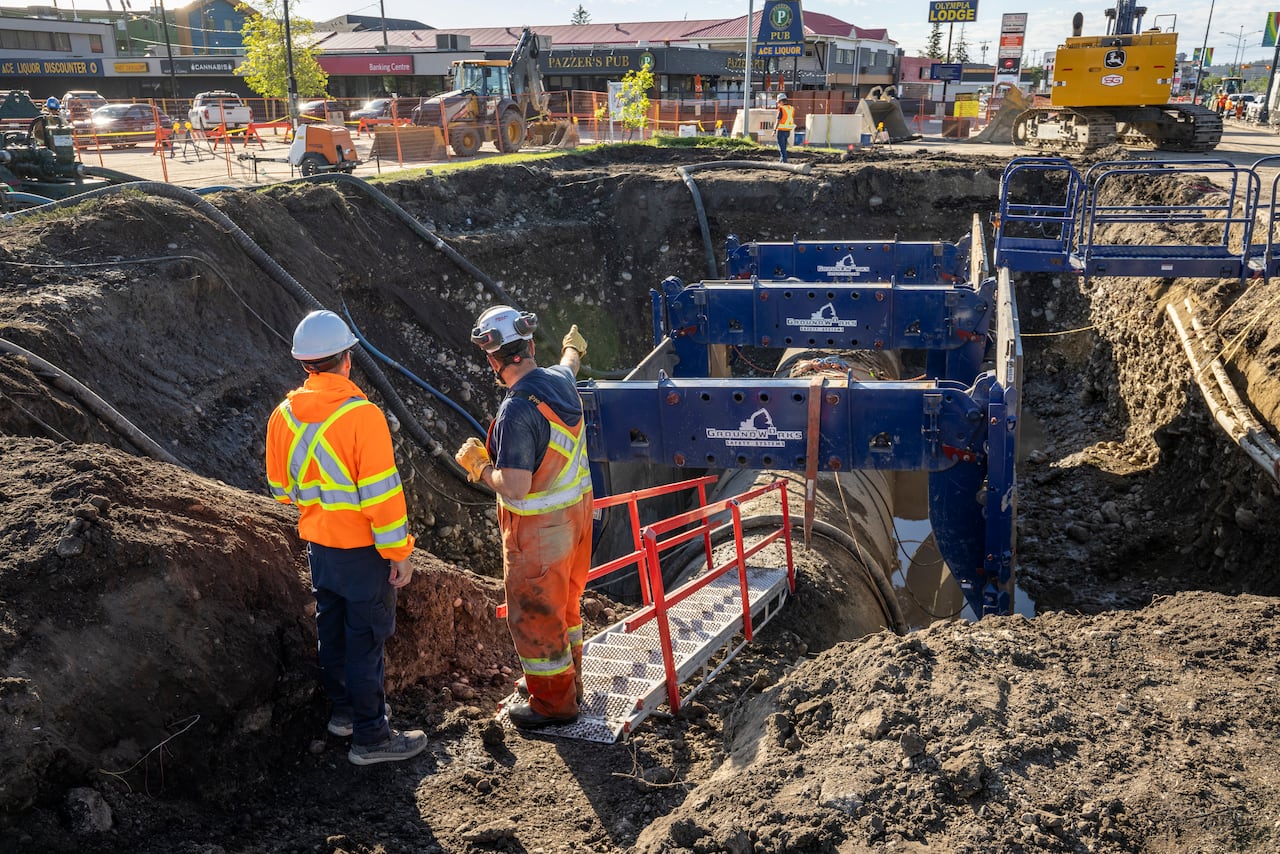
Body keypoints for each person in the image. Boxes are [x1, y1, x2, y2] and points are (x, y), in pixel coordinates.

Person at [266, 309, 426, 766]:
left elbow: (280, 490)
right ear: (347, 360)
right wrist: (399, 553)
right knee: (365, 640)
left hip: (320, 546)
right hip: (362, 552)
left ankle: (344, 714)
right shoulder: (363, 417)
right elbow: (383, 497)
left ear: (306, 364)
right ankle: (371, 737)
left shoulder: (284, 415)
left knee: (332, 632)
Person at [454, 307, 593, 730]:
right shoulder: (559, 380)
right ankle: (568, 681)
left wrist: (478, 465)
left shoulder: (517, 411)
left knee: (534, 613)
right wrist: (573, 348)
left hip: (539, 533)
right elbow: (569, 364)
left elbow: (515, 486)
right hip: (577, 519)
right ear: (531, 347)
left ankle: (553, 703)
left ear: (493, 360)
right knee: (565, 606)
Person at [775, 93, 796, 163]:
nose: (778, 104)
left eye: (778, 102)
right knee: (784, 147)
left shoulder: (781, 108)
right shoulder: (791, 108)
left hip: (781, 130)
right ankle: (781, 162)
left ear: (781, 101)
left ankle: (784, 162)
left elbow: (778, 120)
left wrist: (774, 129)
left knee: (782, 148)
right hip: (788, 131)